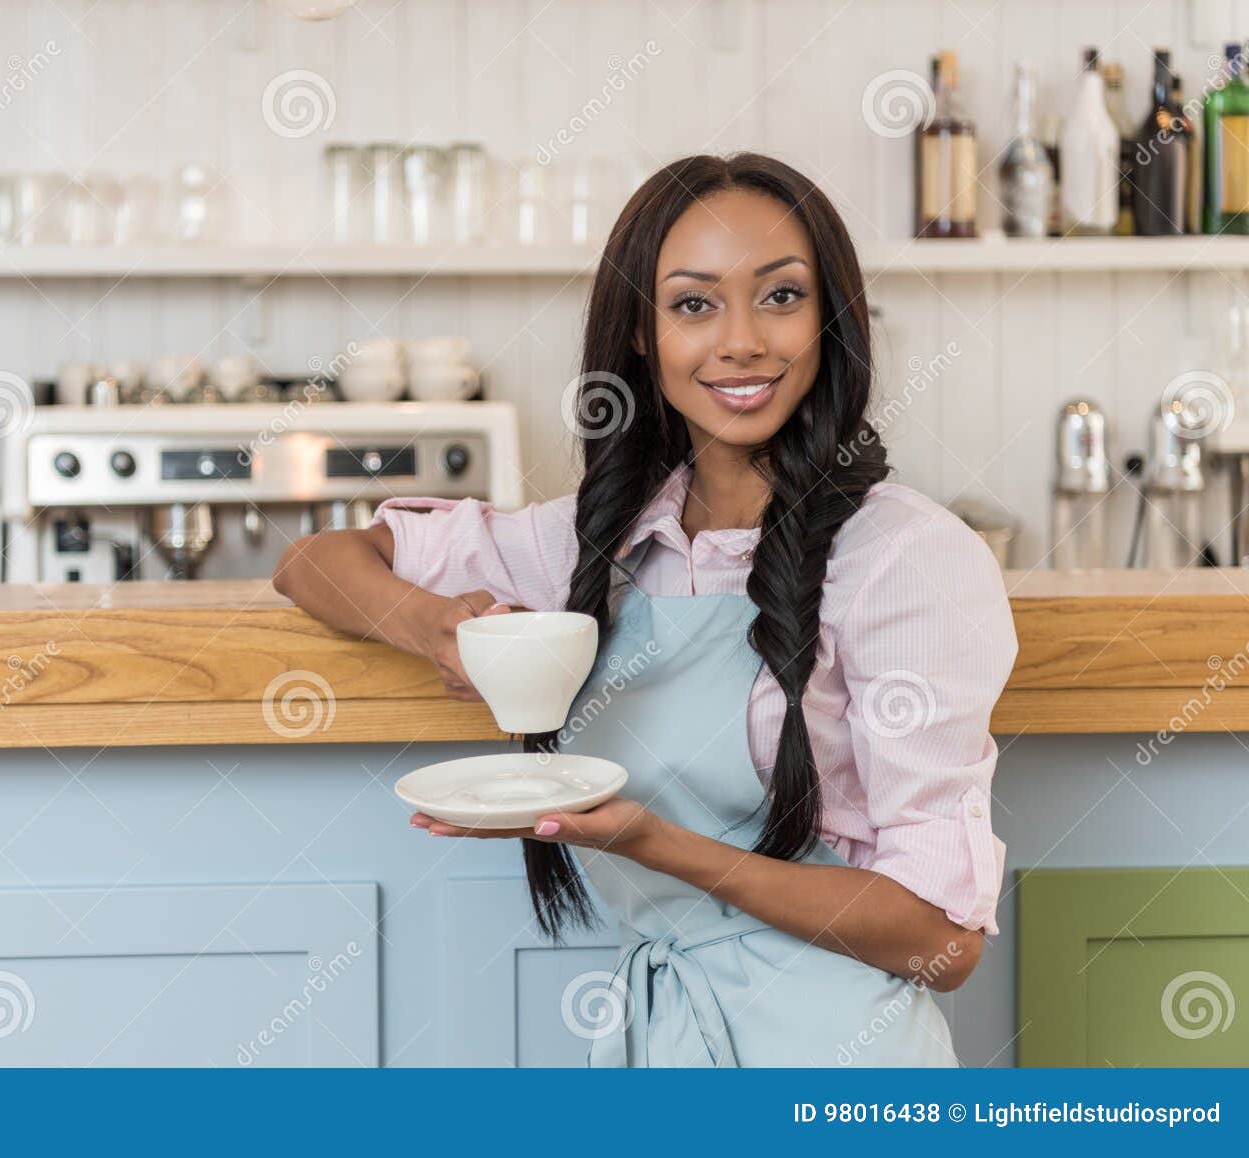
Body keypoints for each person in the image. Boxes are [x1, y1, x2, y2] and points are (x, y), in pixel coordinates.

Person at [273, 152, 1018, 1067]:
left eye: (782, 297)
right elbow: (313, 563)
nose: (742, 341)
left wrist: (661, 845)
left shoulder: (908, 557)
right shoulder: (600, 541)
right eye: (694, 304)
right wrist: (434, 629)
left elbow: (943, 939)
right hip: (659, 1041)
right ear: (639, 331)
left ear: (831, 318)